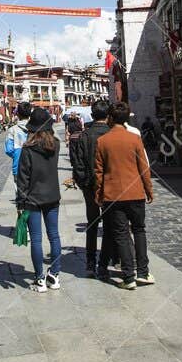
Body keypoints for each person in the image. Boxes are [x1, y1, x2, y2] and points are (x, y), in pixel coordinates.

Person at [93, 100, 153, 289]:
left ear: (110, 118)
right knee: (139, 230)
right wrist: (148, 189)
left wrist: (98, 193)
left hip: (113, 195)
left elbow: (98, 172)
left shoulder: (103, 141)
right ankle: (143, 272)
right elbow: (144, 167)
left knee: (121, 234)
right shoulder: (135, 139)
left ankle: (128, 277)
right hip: (135, 192)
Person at [14, 107, 63, 292]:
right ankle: (55, 275)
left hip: (32, 198)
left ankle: (39, 279)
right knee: (54, 236)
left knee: (36, 239)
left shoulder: (28, 149)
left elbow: (23, 178)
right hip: (52, 196)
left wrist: (20, 202)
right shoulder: (56, 145)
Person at [70, 99, 113, 275]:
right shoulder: (111, 134)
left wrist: (84, 183)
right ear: (108, 115)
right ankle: (106, 262)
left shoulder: (84, 136)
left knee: (92, 223)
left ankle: (90, 261)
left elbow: (78, 164)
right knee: (110, 224)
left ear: (93, 116)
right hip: (110, 186)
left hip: (90, 186)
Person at [4, 100, 33, 176]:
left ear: (18, 114)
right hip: (34, 167)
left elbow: (8, 150)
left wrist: (18, 155)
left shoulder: (12, 130)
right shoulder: (35, 129)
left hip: (18, 167)